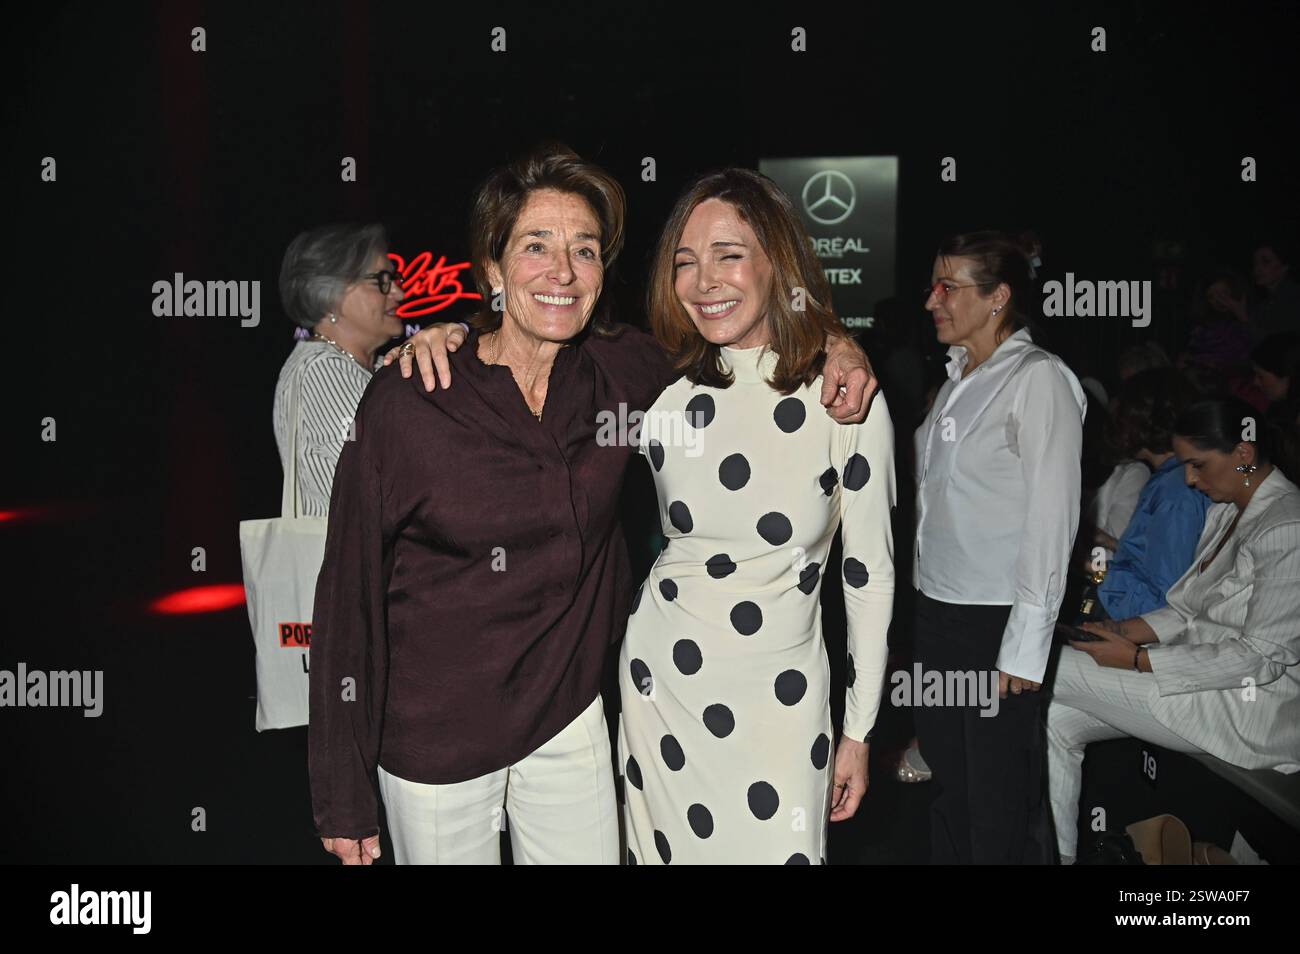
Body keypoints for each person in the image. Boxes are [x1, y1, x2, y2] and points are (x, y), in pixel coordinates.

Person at [310, 145, 875, 866]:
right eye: (535, 247)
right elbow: (348, 591)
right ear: (492, 270)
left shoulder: (620, 370)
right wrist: (341, 786)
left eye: (584, 250)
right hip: (436, 738)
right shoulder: (413, 398)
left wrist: (838, 342)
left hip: (567, 717)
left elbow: (732, 336)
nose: (563, 272)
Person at [615, 169, 896, 864]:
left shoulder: (845, 396)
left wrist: (859, 732)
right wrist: (437, 339)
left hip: (784, 702)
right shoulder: (658, 386)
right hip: (662, 688)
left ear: (778, 261)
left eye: (729, 254)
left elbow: (868, 577)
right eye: (685, 261)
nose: (703, 279)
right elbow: (529, 356)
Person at [1047, 397, 1300, 864]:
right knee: (1053, 720)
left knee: (1046, 672)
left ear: (1243, 454)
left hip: (1253, 712)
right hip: (1204, 683)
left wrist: (1141, 660)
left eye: (1198, 464)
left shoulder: (1287, 524)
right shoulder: (1228, 510)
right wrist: (1121, 631)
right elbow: (1185, 610)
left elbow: (1259, 657)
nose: (1189, 478)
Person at [912, 230, 1087, 864]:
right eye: (933, 284)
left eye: (949, 287)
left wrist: (1025, 644)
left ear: (998, 298)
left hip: (996, 624)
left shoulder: (1039, 379)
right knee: (951, 785)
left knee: (1000, 801)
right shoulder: (959, 377)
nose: (932, 299)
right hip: (939, 613)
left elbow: (1053, 521)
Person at [273, 224, 406, 515]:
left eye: (395, 278)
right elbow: (384, 482)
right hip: (353, 560)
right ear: (331, 294)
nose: (398, 291)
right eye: (381, 280)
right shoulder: (323, 370)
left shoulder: (370, 367)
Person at [1093, 369, 1210, 619]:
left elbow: (1160, 600)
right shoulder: (1167, 480)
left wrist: (1088, 564)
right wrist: (1106, 543)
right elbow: (1150, 560)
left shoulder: (1175, 489)